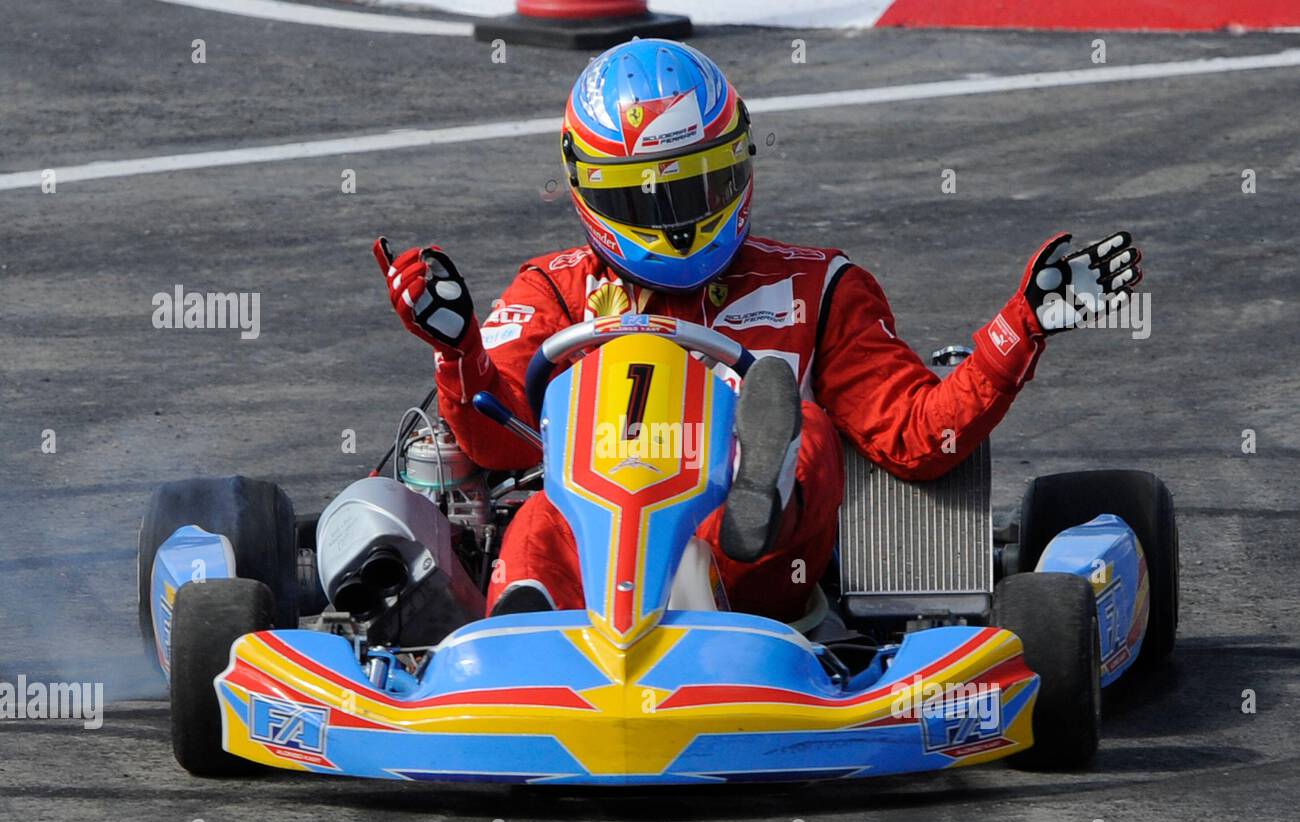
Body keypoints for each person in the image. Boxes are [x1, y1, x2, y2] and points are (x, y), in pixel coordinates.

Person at [374, 38, 1142, 621]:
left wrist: (1022, 326)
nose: (678, 222)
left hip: (765, 595)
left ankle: (757, 498)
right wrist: (457, 349)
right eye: (648, 202)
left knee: (799, 424)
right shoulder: (554, 289)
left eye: (699, 186)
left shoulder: (819, 287)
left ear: (738, 163)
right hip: (597, 541)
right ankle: (525, 633)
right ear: (590, 191)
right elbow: (497, 437)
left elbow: (918, 438)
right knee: (542, 512)